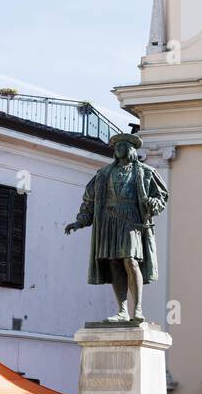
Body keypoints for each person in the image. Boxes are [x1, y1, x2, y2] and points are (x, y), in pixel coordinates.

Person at [65, 133, 169, 322]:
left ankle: (137, 309)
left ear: (130, 148)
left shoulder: (145, 172)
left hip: (131, 220)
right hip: (108, 221)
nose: (118, 148)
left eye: (121, 145)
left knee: (130, 260)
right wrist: (80, 221)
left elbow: (161, 196)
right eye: (116, 145)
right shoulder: (104, 174)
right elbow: (89, 200)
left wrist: (153, 202)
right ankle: (122, 310)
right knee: (114, 261)